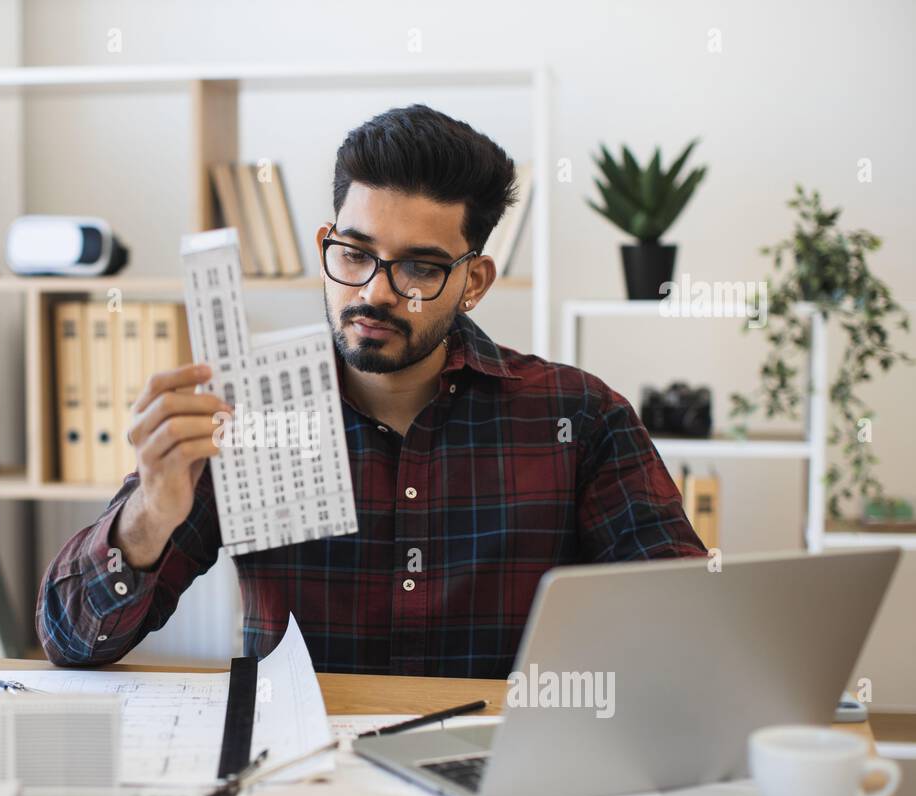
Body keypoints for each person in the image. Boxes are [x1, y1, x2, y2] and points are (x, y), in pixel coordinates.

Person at [36, 103, 706, 678]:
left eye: (418, 266)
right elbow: (72, 642)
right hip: (301, 780)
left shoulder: (579, 417)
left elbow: (688, 633)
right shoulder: (244, 411)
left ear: (473, 282)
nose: (374, 292)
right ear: (327, 243)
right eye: (354, 254)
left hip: (495, 786)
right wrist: (151, 515)